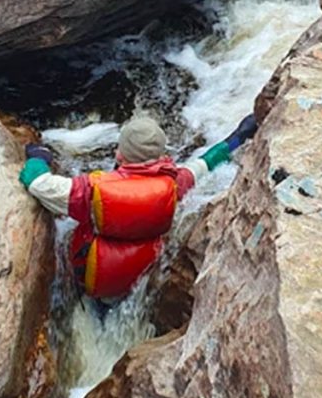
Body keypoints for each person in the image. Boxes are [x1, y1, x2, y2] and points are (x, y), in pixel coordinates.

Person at [18, 114, 258, 299]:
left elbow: (39, 183)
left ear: (121, 154)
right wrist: (237, 137)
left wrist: (38, 157)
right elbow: (205, 164)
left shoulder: (92, 192)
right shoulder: (173, 184)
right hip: (138, 282)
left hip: (94, 279)